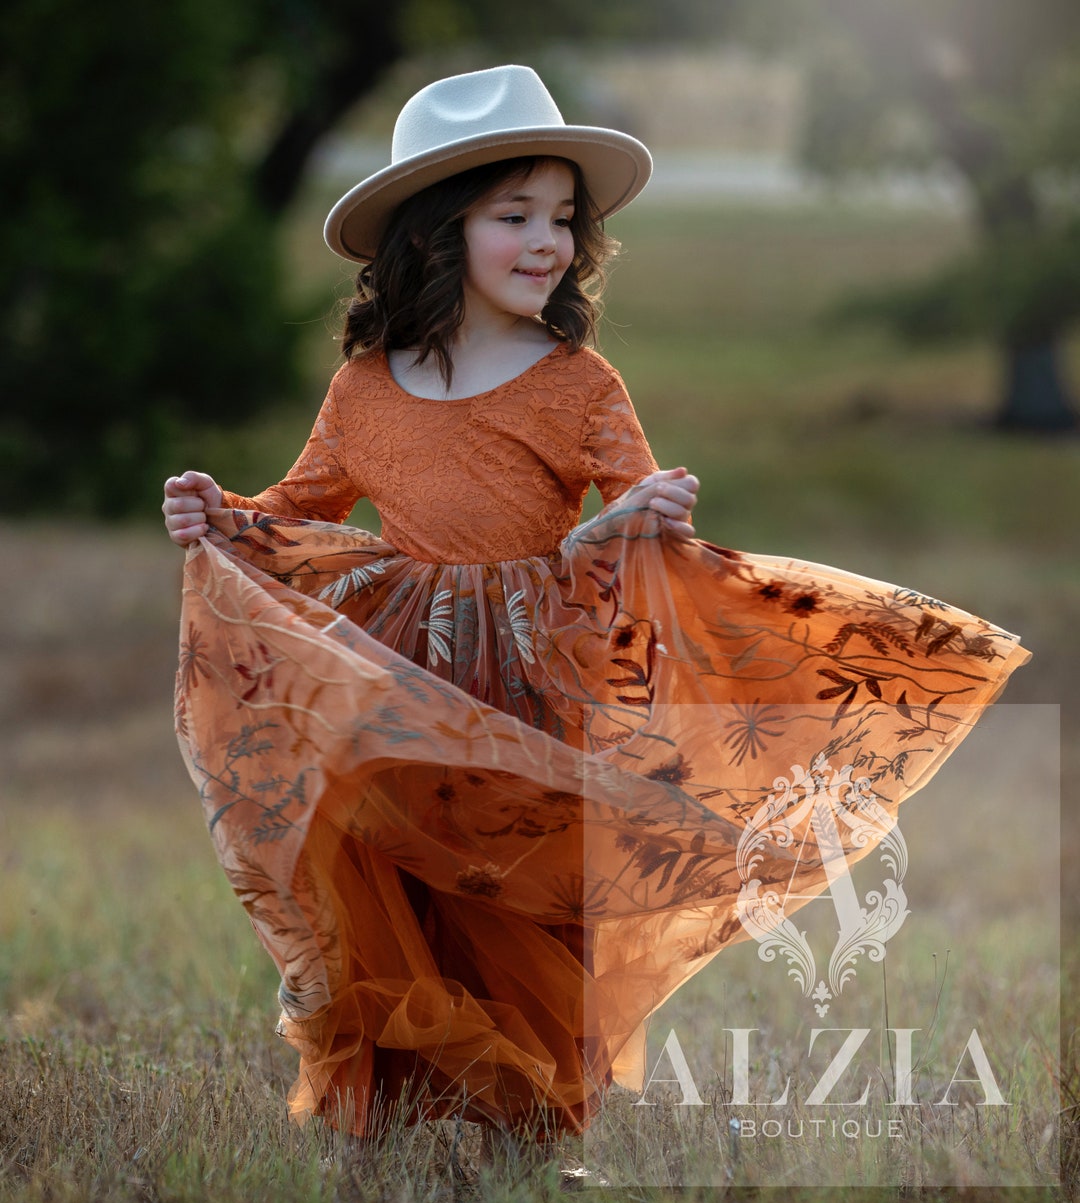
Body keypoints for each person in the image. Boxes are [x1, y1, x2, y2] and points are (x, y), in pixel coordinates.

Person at [163, 65, 1029, 1145]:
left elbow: (646, 544)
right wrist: (220, 512)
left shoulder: (578, 384)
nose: (548, 242)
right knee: (397, 891)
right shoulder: (366, 385)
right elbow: (298, 508)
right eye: (513, 215)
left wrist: (635, 517)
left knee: (519, 899)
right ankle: (395, 1131)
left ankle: (528, 1130)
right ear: (435, 232)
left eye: (563, 218)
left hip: (533, 675)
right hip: (399, 678)